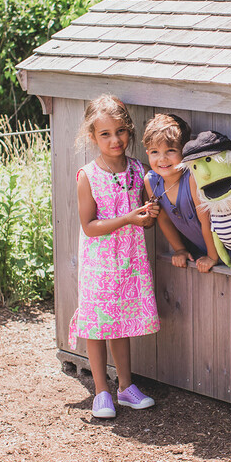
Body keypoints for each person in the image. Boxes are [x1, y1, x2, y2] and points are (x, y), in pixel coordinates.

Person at [69, 94, 160, 419]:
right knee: (97, 327)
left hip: (129, 262)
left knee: (120, 324)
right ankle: (101, 391)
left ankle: (125, 387)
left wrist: (148, 218)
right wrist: (128, 219)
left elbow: (145, 222)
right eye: (105, 134)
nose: (115, 139)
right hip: (99, 265)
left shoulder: (139, 170)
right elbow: (89, 226)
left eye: (120, 131)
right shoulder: (88, 176)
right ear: (92, 137)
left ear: (129, 130)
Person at [141, 113, 220, 273]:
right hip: (197, 252)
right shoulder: (152, 181)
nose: (162, 159)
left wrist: (213, 256)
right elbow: (164, 220)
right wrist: (180, 249)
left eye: (170, 150)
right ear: (148, 153)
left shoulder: (191, 178)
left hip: (221, 249)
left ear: (184, 151)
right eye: (155, 152)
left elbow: (207, 221)